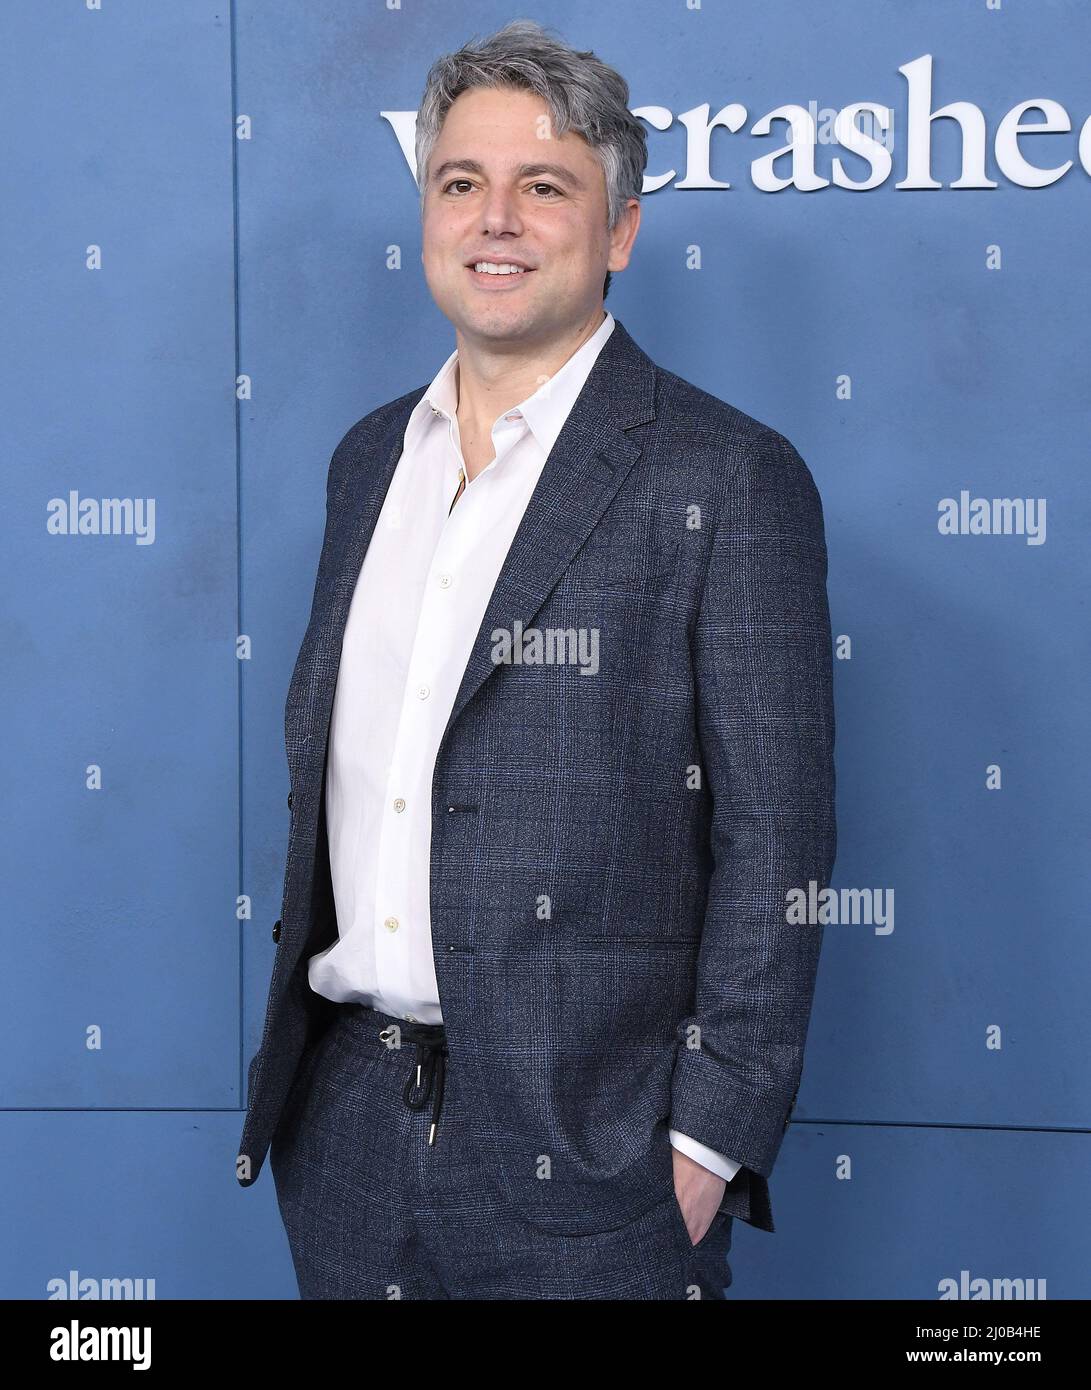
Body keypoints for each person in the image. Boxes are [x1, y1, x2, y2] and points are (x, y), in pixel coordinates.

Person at [237, 18, 836, 1301]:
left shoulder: (726, 477)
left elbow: (777, 842)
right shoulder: (364, 464)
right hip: (343, 1132)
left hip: (596, 1159)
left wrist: (703, 1141)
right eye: (461, 184)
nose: (494, 219)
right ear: (425, 217)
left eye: (543, 186)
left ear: (616, 231)